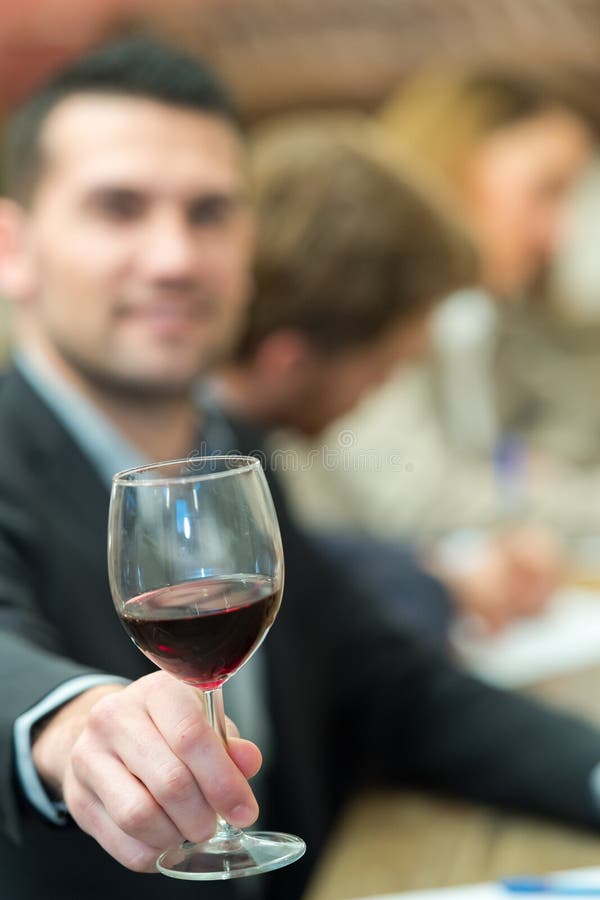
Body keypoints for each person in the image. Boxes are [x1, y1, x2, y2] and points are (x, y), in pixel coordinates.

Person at [2, 37, 600, 900]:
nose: (173, 256)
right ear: (13, 248)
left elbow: (400, 692)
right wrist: (71, 722)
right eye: (119, 207)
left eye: (209, 213)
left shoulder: (231, 465)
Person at [217, 118, 562, 635]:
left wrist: (436, 571)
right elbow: (317, 598)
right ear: (288, 362)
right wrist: (436, 587)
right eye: (384, 370)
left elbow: (327, 556)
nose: (381, 390)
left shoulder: (249, 445)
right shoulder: (213, 476)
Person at [272, 69, 598, 540]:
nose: (559, 234)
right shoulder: (364, 310)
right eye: (545, 191)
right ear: (452, 174)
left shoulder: (493, 314)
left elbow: (570, 430)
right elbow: (420, 502)